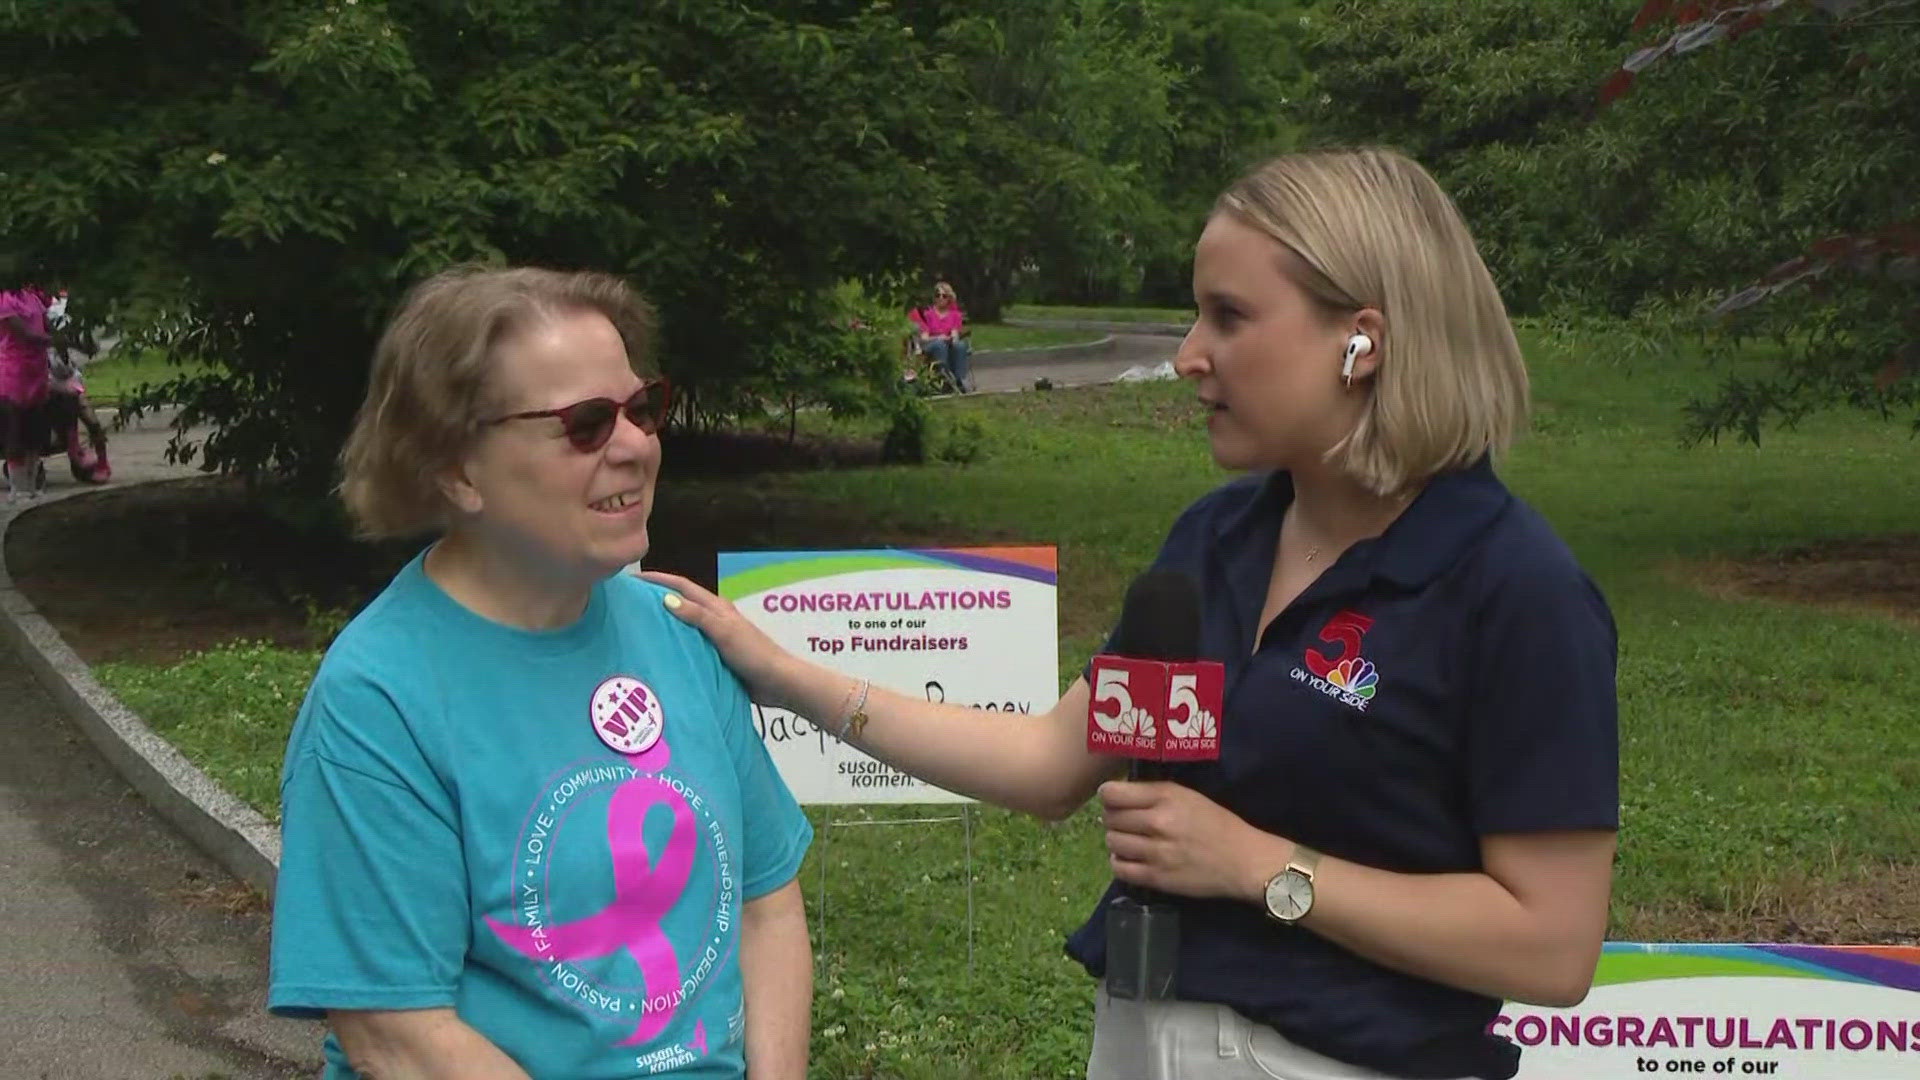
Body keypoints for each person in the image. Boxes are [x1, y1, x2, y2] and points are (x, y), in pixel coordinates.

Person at [644, 148, 1618, 1080]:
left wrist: (1265, 868)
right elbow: (1048, 764)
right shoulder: (1218, 542)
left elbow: (1551, 946)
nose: (1190, 356)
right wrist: (779, 671)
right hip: (1141, 1039)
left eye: (1228, 317)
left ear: (1363, 341)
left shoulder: (1512, 589)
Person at [267, 266, 815, 1079]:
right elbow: (397, 1033)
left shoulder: (677, 632)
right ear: (458, 468)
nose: (635, 446)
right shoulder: (378, 701)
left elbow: (767, 901)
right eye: (586, 424)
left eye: (642, 409)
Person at [0, 283, 53, 501]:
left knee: (34, 430)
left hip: (36, 370)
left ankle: (31, 486)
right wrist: (56, 342)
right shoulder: (5, 299)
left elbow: (46, 326)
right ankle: (17, 487)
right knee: (15, 428)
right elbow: (25, 334)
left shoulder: (33, 297)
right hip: (13, 371)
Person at [908, 281, 971, 392]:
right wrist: (938, 337)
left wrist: (952, 338)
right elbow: (924, 338)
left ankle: (959, 380)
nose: (940, 298)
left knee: (960, 345)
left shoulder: (955, 315)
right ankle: (945, 379)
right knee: (939, 345)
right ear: (934, 297)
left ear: (949, 298)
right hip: (930, 344)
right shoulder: (928, 314)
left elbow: (955, 333)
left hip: (949, 344)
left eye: (944, 296)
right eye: (938, 295)